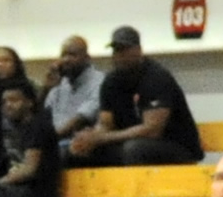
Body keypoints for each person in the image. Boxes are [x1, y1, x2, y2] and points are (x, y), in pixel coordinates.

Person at [68, 26, 202, 166]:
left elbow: (152, 131)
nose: (119, 55)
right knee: (79, 152)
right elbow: (106, 124)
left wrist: (103, 138)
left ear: (138, 50)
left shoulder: (156, 77)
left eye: (124, 49)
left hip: (176, 146)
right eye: (116, 50)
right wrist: (91, 137)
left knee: (134, 149)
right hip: (131, 142)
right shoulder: (111, 81)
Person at [43, 35, 105, 147]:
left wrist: (46, 141)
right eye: (63, 55)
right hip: (53, 140)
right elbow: (42, 115)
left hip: (78, 141)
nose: (66, 60)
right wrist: (46, 89)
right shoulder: (59, 81)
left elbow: (80, 120)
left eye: (72, 55)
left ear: (87, 58)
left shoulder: (99, 82)